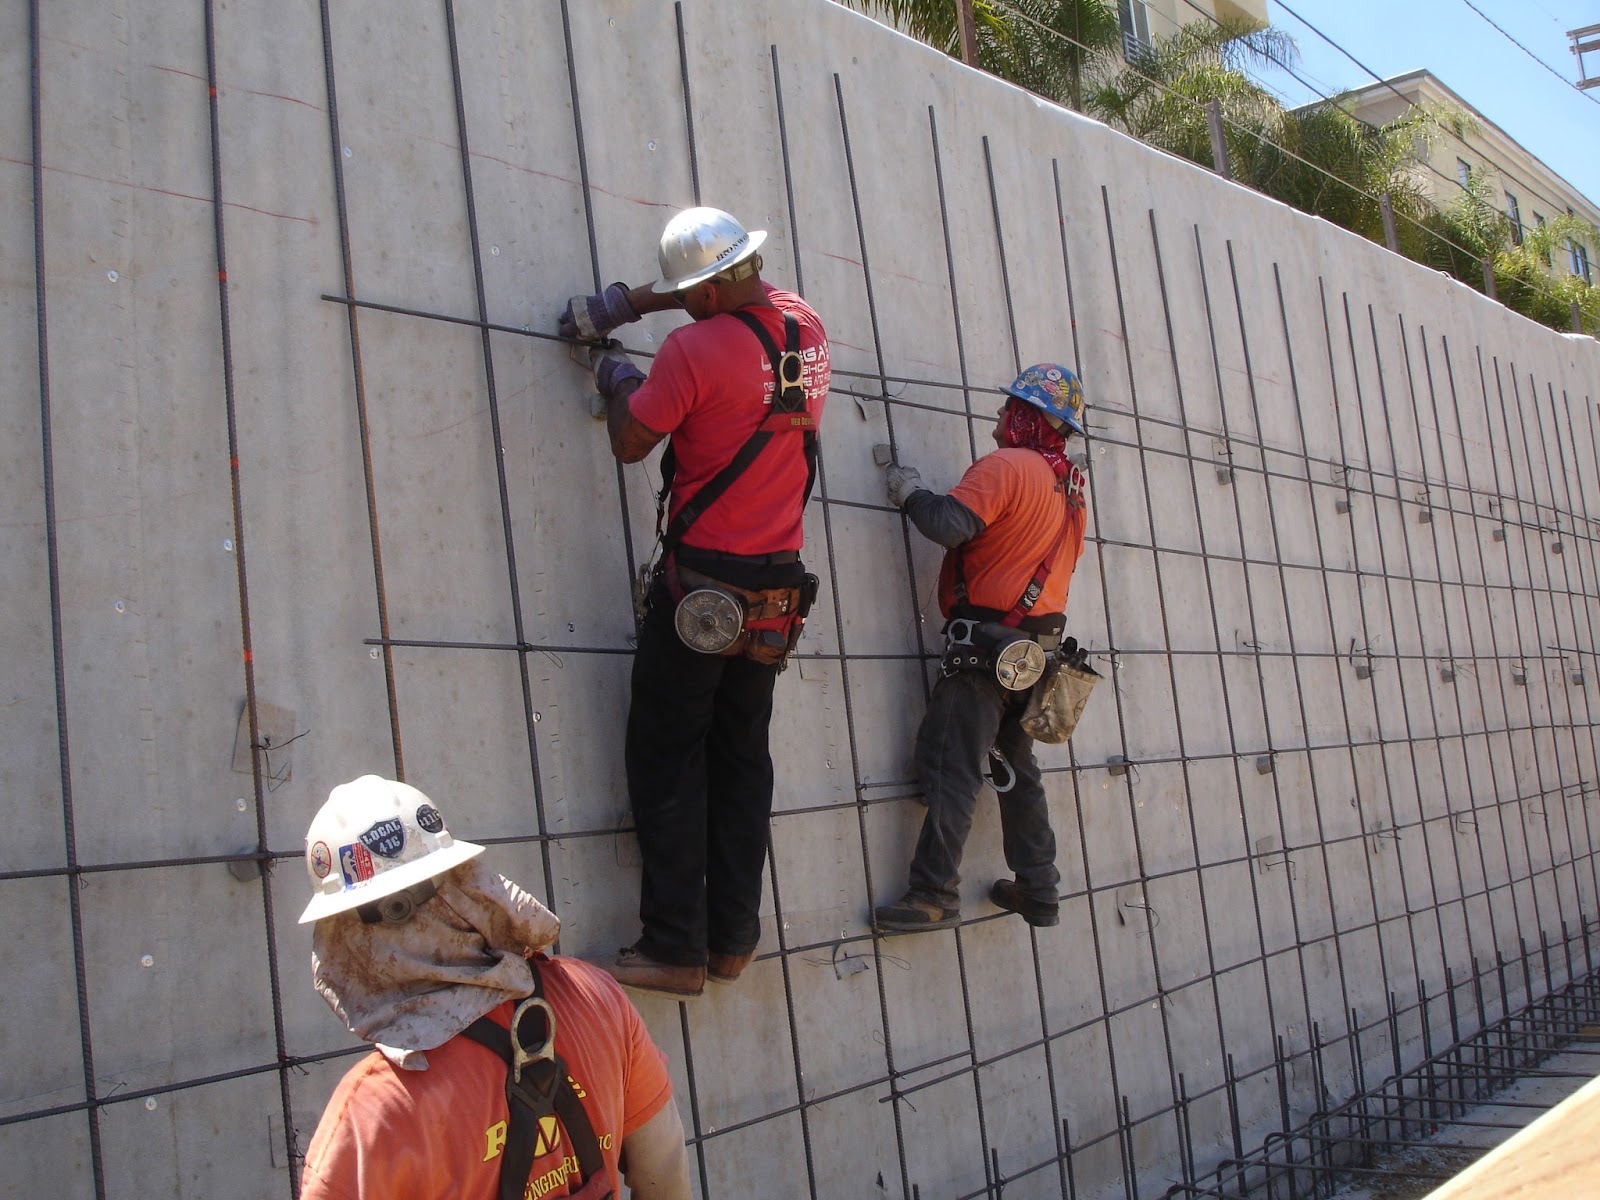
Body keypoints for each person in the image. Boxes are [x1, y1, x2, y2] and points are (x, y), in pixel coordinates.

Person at [558, 207, 830, 997]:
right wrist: (630, 302)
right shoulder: (805, 327)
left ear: (706, 292)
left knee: (666, 755)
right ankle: (733, 940)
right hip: (776, 593)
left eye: (686, 294)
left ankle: (674, 944)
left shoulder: (692, 351)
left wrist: (617, 374)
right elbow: (715, 300)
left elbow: (631, 442)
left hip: (704, 590)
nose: (682, 304)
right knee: (742, 760)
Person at [297, 774, 691, 1200]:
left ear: (341, 934)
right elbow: (665, 1169)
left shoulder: (374, 1112)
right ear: (463, 878)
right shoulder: (594, 997)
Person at [872, 364, 1090, 933]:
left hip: (986, 654)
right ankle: (1039, 886)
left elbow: (949, 525)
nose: (999, 414)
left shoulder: (1008, 466)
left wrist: (908, 492)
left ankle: (932, 893)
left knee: (954, 767)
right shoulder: (1070, 489)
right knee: (1017, 768)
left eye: (1010, 406)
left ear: (1028, 416)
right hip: (1034, 661)